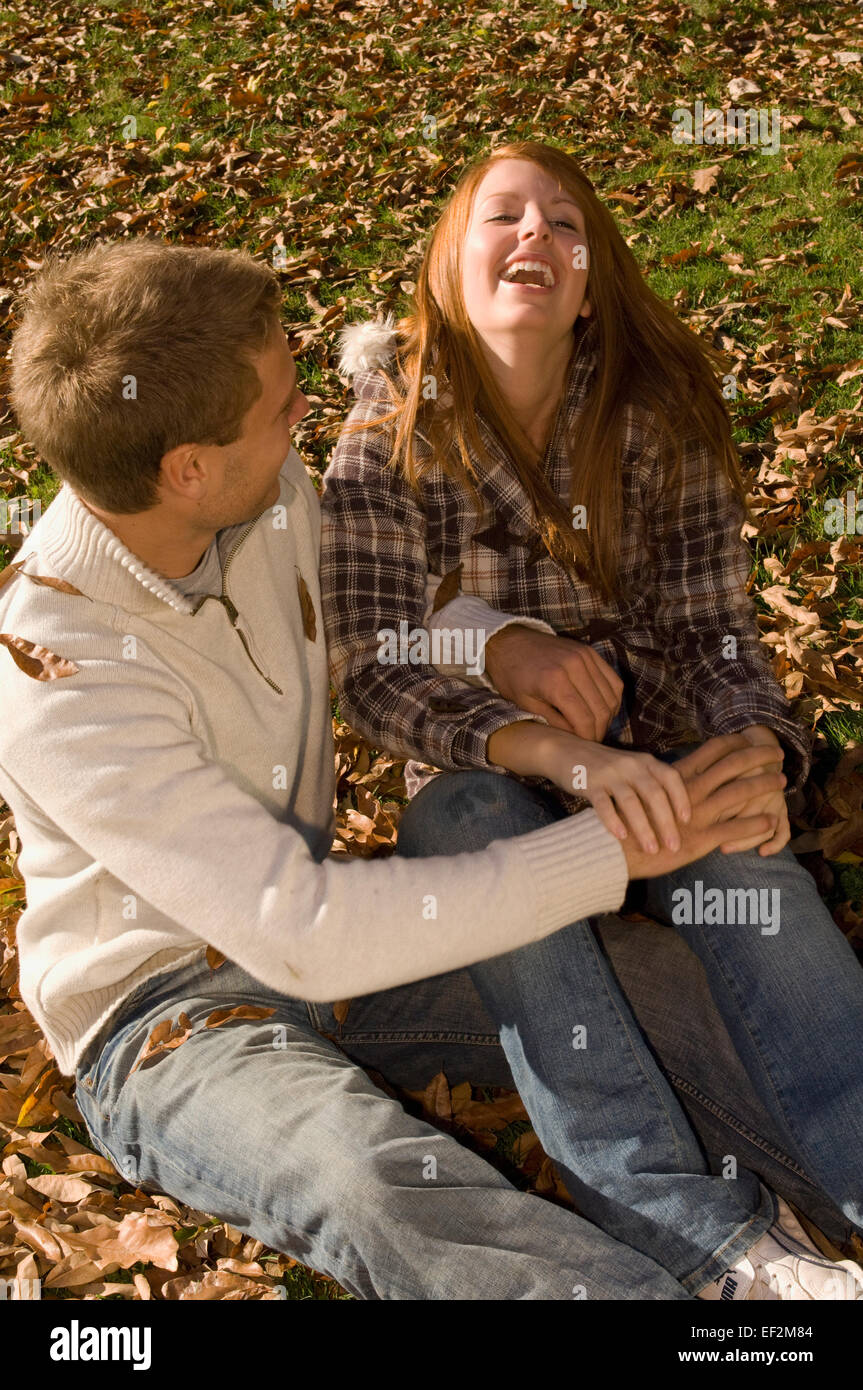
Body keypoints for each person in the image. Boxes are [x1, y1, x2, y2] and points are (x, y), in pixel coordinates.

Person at [0, 237, 796, 1302]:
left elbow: (387, 613)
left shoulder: (258, 490)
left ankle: (775, 1252)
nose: (305, 417)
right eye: (283, 402)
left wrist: (507, 648)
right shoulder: (57, 674)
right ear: (186, 467)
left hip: (328, 941)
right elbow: (305, 931)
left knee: (650, 988)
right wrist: (622, 843)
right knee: (372, 1181)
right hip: (168, 1019)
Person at [319, 140, 863, 1300]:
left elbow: (721, 633)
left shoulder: (650, 417)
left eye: (565, 225)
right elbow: (366, 664)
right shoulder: (385, 439)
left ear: (591, 275)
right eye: (502, 215)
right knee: (478, 830)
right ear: (441, 264)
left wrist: (757, 750)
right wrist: (539, 728)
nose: (535, 237)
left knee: (753, 875)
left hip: (659, 760)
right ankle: (707, 1240)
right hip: (489, 786)